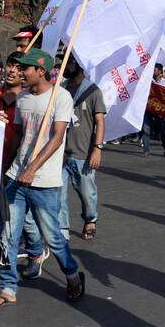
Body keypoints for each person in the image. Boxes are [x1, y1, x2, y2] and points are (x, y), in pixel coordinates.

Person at [0, 48, 84, 306]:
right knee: (8, 234)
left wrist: (32, 168)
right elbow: (18, 136)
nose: (19, 73)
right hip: (16, 178)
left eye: (25, 69)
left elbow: (57, 138)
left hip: (45, 181)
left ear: (41, 71)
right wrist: (7, 167)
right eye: (19, 68)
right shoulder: (22, 99)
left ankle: (72, 274)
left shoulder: (61, 97)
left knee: (51, 236)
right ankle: (8, 287)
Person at [58, 56, 106, 241]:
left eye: (69, 63)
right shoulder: (60, 89)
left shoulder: (92, 91)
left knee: (87, 193)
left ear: (79, 66)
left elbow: (100, 122)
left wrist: (97, 149)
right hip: (60, 153)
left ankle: (90, 219)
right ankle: (62, 228)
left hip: (83, 153)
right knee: (59, 194)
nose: (66, 66)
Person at [140, 62, 165, 157]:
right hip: (149, 108)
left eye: (155, 70)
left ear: (160, 72)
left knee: (162, 130)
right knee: (146, 129)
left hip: (160, 110)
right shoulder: (148, 81)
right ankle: (146, 150)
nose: (153, 71)